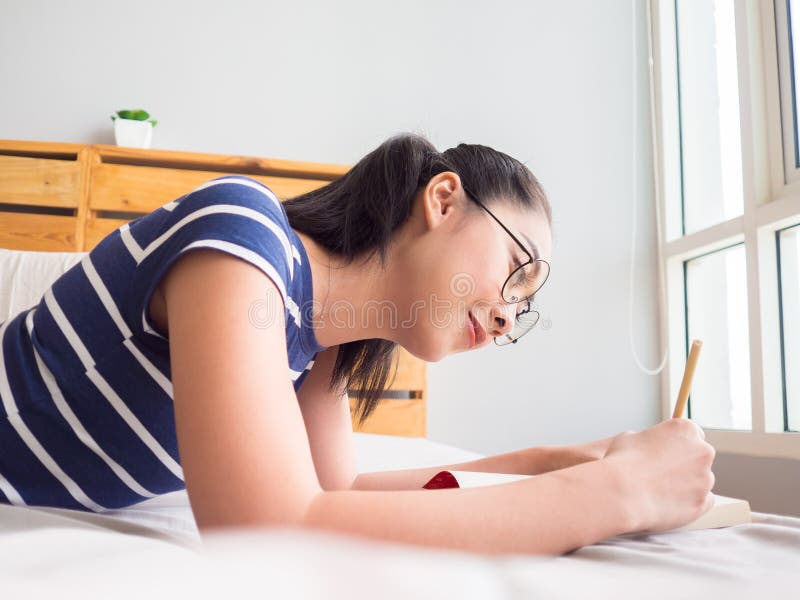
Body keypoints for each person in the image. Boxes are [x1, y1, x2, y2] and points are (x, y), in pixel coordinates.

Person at [0, 132, 715, 555]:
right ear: (443, 200)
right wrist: (615, 494)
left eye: (522, 311)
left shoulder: (320, 345)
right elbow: (265, 524)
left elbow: (335, 492)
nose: (505, 319)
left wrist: (543, 466)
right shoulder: (241, 237)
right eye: (516, 274)